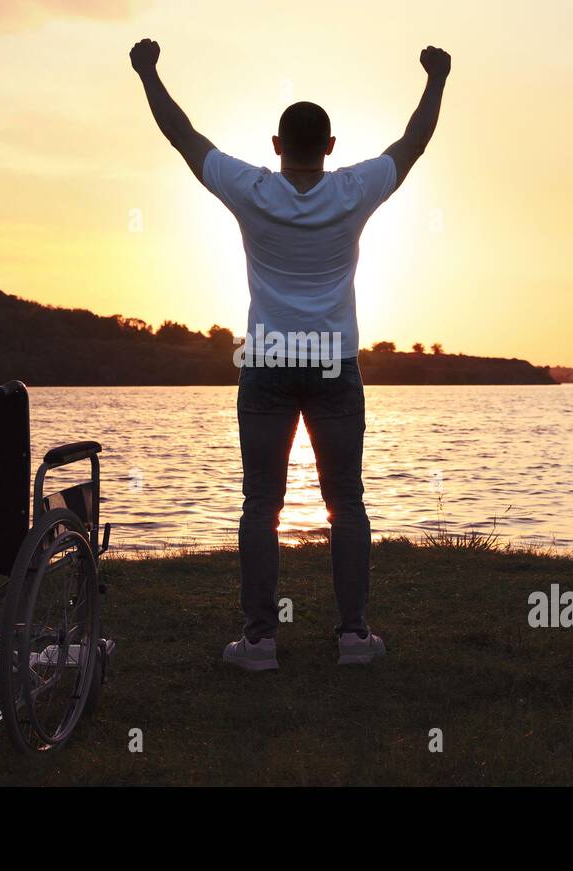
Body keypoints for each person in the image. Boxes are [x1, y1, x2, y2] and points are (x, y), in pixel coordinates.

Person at [130, 37, 450, 669]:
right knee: (346, 501)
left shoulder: (251, 189)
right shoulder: (354, 189)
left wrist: (148, 71)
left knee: (261, 503)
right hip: (334, 364)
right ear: (330, 148)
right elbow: (413, 143)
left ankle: (258, 642)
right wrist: (437, 78)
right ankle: (354, 637)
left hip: (269, 362)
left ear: (277, 147)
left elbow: (182, 136)